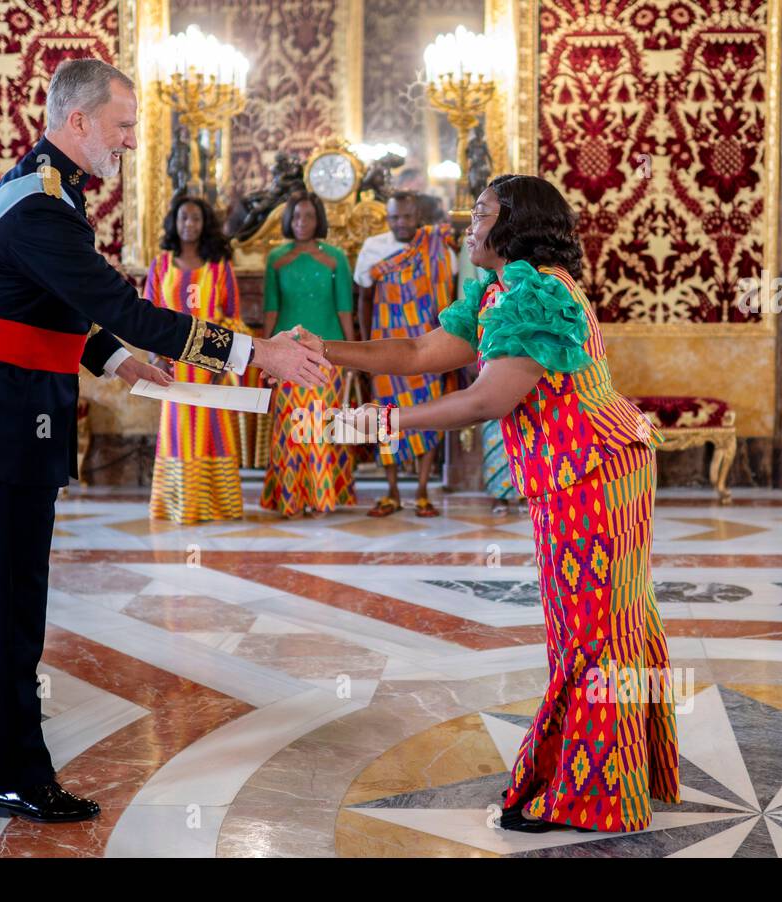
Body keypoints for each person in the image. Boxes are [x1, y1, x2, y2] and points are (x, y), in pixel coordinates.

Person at [0, 59, 328, 824]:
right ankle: (14, 775)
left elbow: (47, 306)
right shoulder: (45, 204)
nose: (131, 141)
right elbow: (116, 303)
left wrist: (112, 357)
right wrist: (255, 353)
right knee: (10, 601)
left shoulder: (45, 187)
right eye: (123, 125)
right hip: (5, 418)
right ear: (77, 123)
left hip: (3, 410)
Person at [295, 174, 680, 832]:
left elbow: (486, 401)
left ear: (514, 226)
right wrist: (322, 349)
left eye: (481, 211)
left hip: (595, 473)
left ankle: (591, 795)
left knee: (593, 635)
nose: (467, 223)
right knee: (603, 627)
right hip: (583, 469)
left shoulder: (535, 293)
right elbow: (418, 351)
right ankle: (624, 771)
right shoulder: (501, 291)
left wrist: (377, 424)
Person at [353, 191, 457, 517]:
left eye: (406, 217)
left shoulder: (437, 247)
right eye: (394, 217)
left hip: (428, 345)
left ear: (417, 217)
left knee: (430, 415)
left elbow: (449, 295)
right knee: (387, 418)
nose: (400, 223)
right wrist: (364, 348)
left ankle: (423, 491)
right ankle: (393, 493)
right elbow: (364, 299)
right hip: (386, 345)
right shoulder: (374, 248)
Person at [144, 195, 246, 524]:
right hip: (173, 365)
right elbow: (147, 316)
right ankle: (178, 505)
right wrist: (154, 359)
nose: (190, 224)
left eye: (196, 219)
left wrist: (223, 361)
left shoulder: (220, 267)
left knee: (214, 430)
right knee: (177, 431)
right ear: (175, 222)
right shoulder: (160, 265)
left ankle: (219, 505)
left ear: (205, 224)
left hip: (211, 366)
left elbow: (232, 317)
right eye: (184, 218)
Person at [260, 191, 356, 518]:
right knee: (289, 428)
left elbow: (345, 311)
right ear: (289, 220)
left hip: (329, 354)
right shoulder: (276, 259)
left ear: (319, 220)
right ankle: (289, 499)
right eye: (297, 216)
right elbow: (270, 312)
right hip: (285, 354)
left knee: (320, 425)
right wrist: (262, 354)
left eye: (309, 217)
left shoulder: (336, 258)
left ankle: (321, 498)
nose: (302, 223)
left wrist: (355, 360)